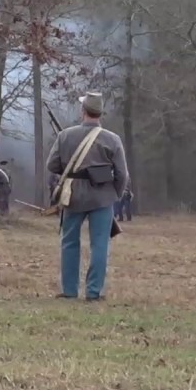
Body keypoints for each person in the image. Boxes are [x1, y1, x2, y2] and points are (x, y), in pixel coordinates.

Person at [45, 92, 129, 302]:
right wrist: (115, 194)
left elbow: (52, 165)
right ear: (100, 113)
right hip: (102, 197)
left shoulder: (65, 136)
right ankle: (94, 292)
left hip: (73, 195)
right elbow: (122, 175)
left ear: (83, 111)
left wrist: (70, 168)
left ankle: (70, 291)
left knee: (69, 242)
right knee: (100, 244)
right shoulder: (112, 139)